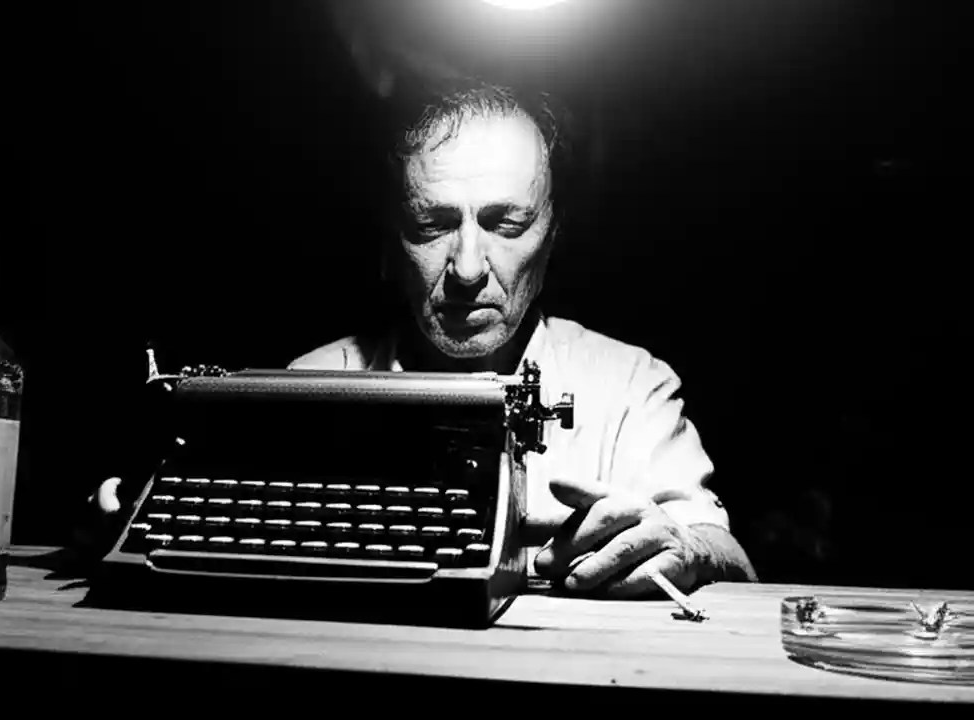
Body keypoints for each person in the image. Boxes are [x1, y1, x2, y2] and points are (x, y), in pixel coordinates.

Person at [85, 78, 758, 598]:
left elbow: (730, 557)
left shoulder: (630, 385)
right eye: (432, 225)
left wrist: (690, 548)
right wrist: (156, 522)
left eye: (505, 223)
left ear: (553, 239)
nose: (467, 267)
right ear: (387, 245)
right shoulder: (309, 384)